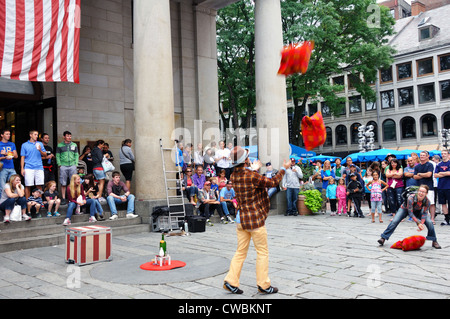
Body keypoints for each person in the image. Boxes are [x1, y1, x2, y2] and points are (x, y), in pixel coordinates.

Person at [223, 146, 289, 295]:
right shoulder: (251, 175)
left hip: (241, 218)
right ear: (245, 160)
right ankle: (263, 285)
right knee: (262, 252)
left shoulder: (233, 176)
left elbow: (247, 178)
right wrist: (283, 169)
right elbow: (272, 182)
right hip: (254, 219)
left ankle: (230, 280)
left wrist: (253, 169)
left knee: (240, 252)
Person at [378, 185, 441, 249]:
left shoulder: (427, 201)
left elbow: (424, 213)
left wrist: (421, 223)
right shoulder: (411, 198)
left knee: (429, 222)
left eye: (423, 192)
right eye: (420, 191)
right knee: (395, 221)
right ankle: (383, 238)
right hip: (405, 209)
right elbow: (410, 212)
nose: (421, 193)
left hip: (418, 210)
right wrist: (418, 223)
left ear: (426, 193)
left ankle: (434, 240)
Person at [20, 130, 47, 199]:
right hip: (28, 167)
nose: (36, 136)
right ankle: (27, 202)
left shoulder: (40, 144)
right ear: (30, 135)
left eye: (37, 135)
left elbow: (45, 154)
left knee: (39, 185)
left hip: (39, 167)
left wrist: (40, 150)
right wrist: (22, 168)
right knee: (28, 185)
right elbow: (22, 157)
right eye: (35, 134)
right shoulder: (24, 145)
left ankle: (40, 202)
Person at [55, 131, 79, 205]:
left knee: (74, 182)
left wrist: (76, 164)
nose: (69, 137)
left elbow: (76, 155)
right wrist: (59, 164)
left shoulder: (74, 145)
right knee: (63, 182)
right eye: (68, 136)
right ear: (64, 137)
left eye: (70, 136)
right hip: (63, 165)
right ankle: (63, 198)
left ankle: (73, 197)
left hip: (72, 165)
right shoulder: (60, 145)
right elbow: (57, 155)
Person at [413, 151, 435, 224]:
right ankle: (422, 218)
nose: (422, 156)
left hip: (429, 187)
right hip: (420, 187)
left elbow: (429, 175)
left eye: (423, 155)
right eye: (421, 155)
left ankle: (432, 219)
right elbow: (415, 177)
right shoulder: (417, 166)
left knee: (431, 203)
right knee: (420, 203)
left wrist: (419, 174)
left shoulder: (430, 165)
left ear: (427, 156)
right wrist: (422, 175)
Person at [434, 149, 450, 226]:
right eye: (442, 154)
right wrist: (445, 173)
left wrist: (441, 173)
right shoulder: (439, 164)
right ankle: (446, 219)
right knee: (443, 204)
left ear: (448, 155)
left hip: (449, 186)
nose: (443, 155)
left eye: (445, 153)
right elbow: (435, 175)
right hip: (441, 186)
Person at [0, 128, 18, 193]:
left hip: (11, 167)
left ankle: (14, 200)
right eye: (7, 134)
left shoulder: (12, 144)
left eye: (9, 134)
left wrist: (6, 153)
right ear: (2, 135)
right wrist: (4, 157)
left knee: (15, 184)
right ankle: (2, 202)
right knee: (2, 187)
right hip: (2, 168)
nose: (9, 135)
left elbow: (16, 156)